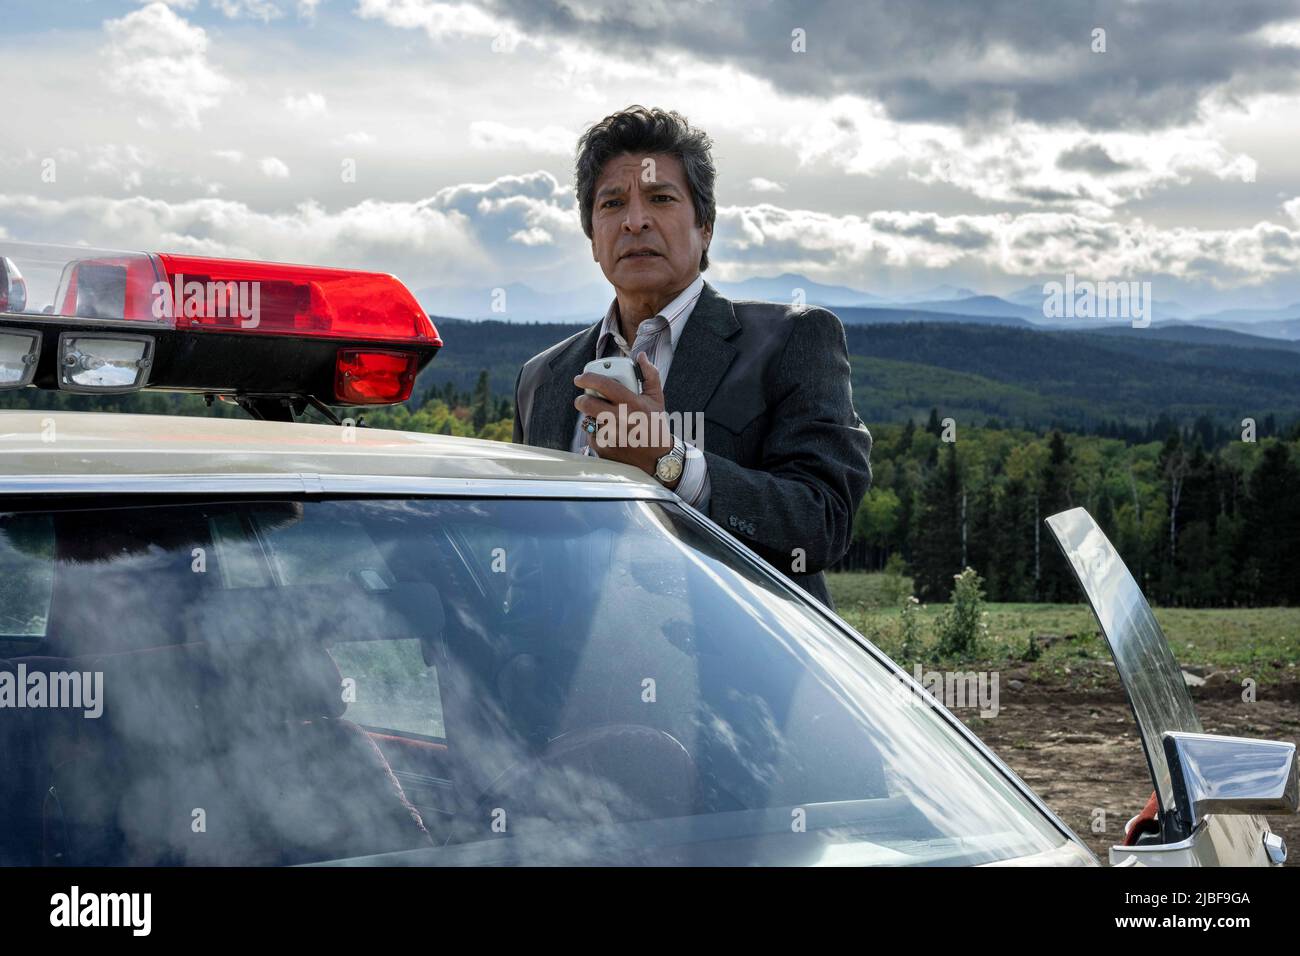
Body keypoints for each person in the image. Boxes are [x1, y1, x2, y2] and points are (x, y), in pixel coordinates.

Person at [512, 105, 871, 608]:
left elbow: (821, 524)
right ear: (593, 237)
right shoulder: (542, 378)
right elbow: (531, 548)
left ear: (705, 227)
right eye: (612, 204)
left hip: (740, 675)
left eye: (660, 198)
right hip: (580, 677)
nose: (635, 221)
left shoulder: (794, 340)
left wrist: (670, 462)